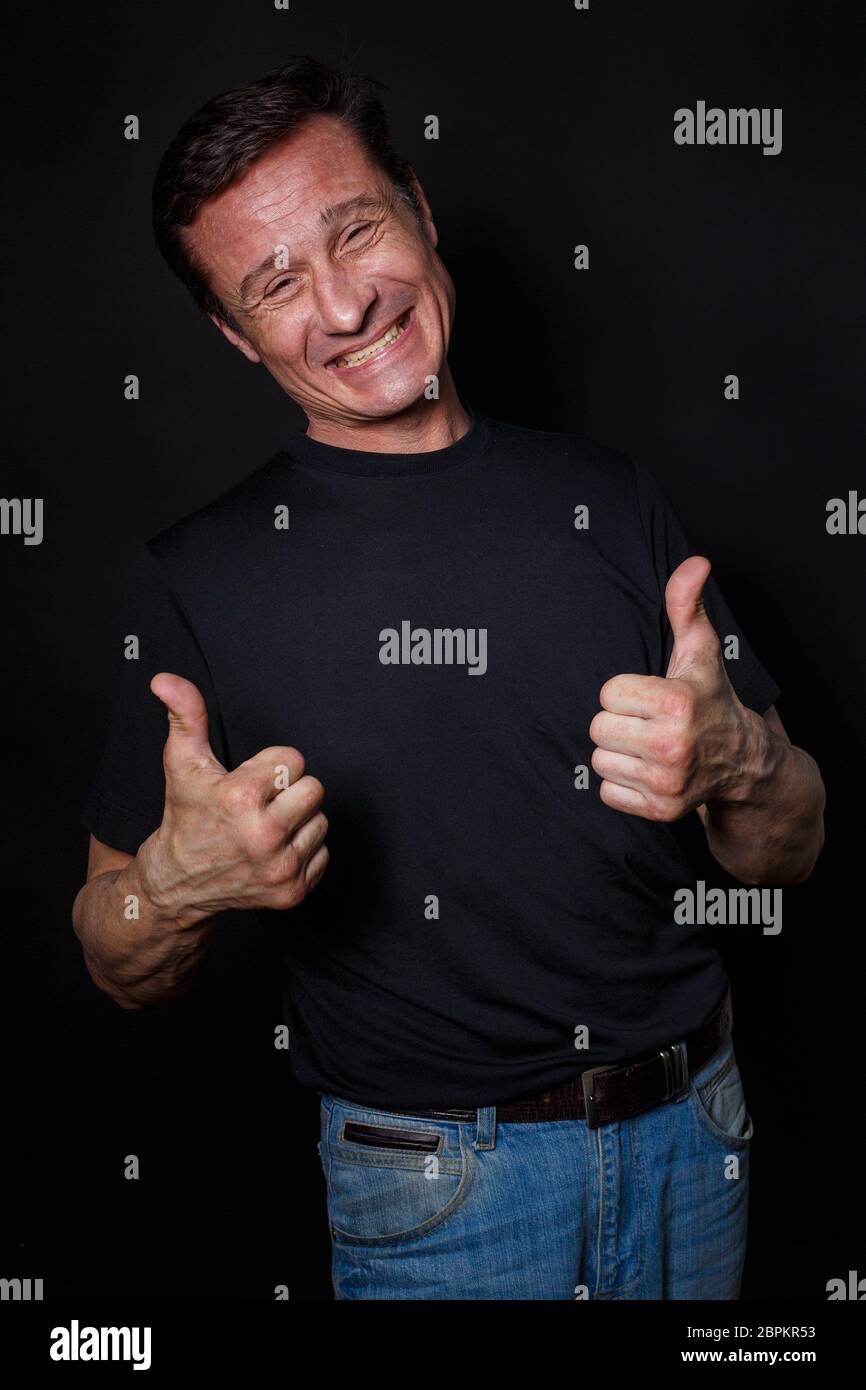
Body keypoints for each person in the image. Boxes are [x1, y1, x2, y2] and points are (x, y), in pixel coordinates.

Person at [72, 56, 825, 1300]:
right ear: (232, 335)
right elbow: (112, 954)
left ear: (417, 207)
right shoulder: (192, 580)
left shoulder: (613, 497)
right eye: (274, 284)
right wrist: (173, 883)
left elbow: (787, 849)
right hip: (435, 1194)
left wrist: (742, 761)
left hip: (700, 1138)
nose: (345, 303)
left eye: (354, 229)